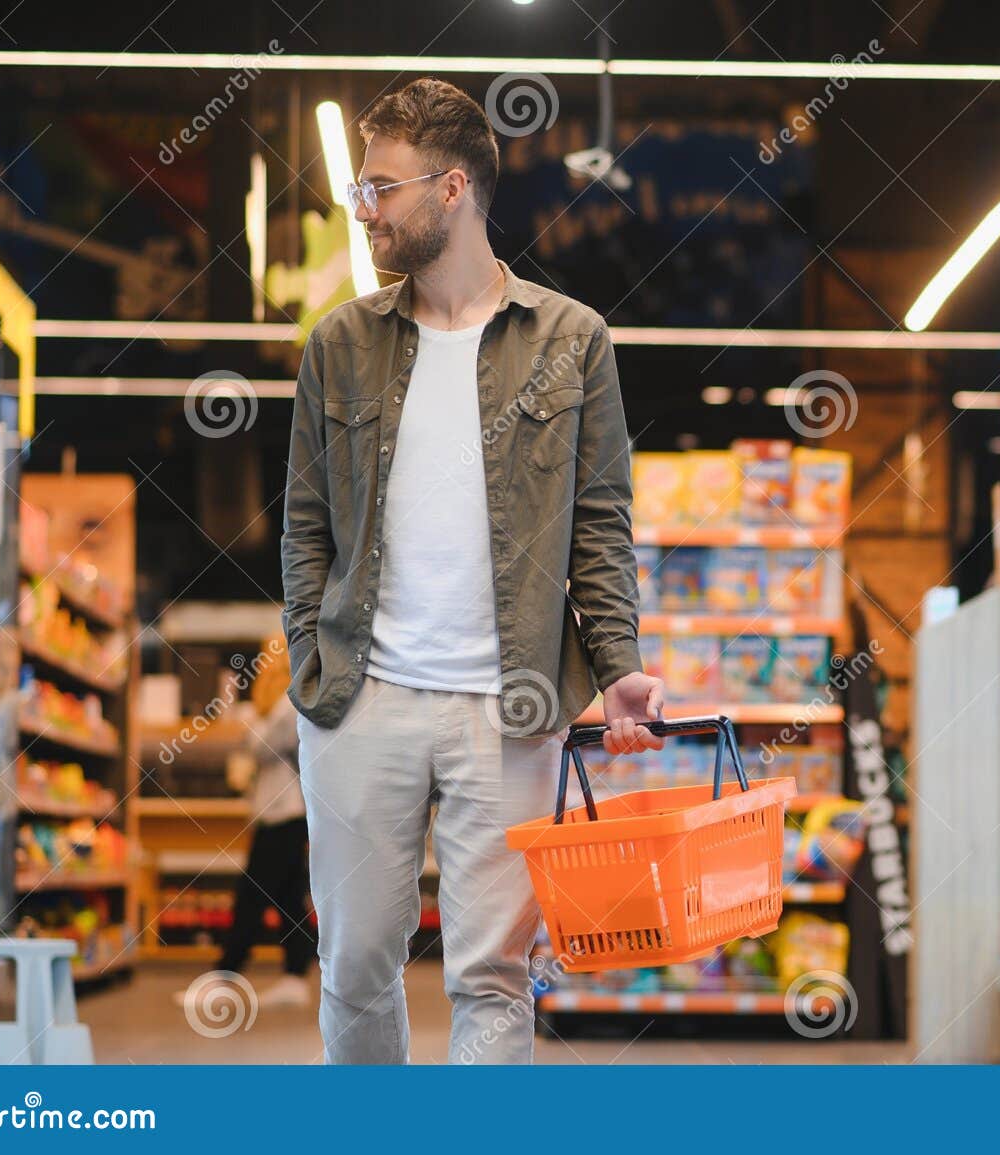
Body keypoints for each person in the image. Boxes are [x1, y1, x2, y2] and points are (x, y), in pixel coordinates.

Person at [279, 77, 666, 1065]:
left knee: (491, 976)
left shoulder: (572, 340)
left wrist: (618, 663)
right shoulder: (339, 345)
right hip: (363, 697)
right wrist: (309, 664)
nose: (363, 207)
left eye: (382, 187)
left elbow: (599, 521)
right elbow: (305, 524)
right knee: (357, 961)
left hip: (514, 702)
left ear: (452, 190)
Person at [173, 641, 316, 1011]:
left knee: (250, 898)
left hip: (285, 815)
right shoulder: (276, 707)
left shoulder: (288, 704)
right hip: (278, 814)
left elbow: (261, 747)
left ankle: (223, 976)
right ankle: (295, 978)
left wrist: (252, 719)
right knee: (288, 900)